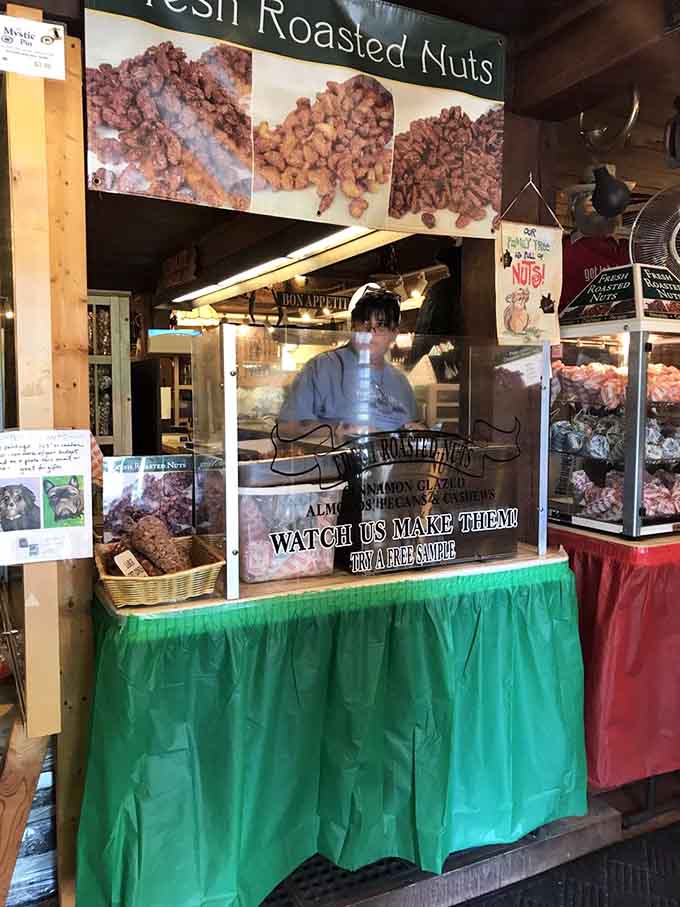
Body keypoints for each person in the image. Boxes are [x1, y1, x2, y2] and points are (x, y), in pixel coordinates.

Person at [278, 284, 418, 436]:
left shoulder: (400, 382)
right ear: (353, 326)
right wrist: (341, 429)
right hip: (335, 459)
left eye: (381, 326)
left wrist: (416, 431)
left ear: (394, 333)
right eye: (364, 323)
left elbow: (413, 427)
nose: (370, 333)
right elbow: (286, 428)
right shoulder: (321, 368)